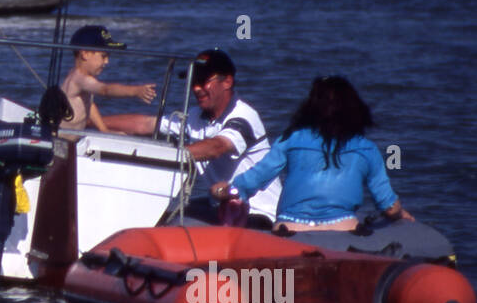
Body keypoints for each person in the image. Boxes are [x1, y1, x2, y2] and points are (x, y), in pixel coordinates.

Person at [210, 75, 413, 231]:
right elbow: (389, 207)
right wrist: (401, 214)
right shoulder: (366, 148)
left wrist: (225, 190)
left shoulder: (291, 139)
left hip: (290, 229)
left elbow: (255, 179)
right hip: (343, 229)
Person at [159, 48, 280, 228]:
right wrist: (102, 125)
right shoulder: (194, 117)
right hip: (222, 207)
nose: (196, 88)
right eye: (193, 81)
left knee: (181, 227)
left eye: (203, 81)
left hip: (259, 215)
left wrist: (161, 157)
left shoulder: (244, 116)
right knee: (165, 217)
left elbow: (216, 147)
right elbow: (146, 124)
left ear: (227, 82)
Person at [59, 25, 156, 131]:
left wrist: (104, 129)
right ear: (85, 54)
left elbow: (89, 105)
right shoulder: (79, 78)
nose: (107, 62)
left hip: (74, 139)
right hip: (61, 141)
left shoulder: (82, 79)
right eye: (103, 56)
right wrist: (135, 91)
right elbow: (105, 90)